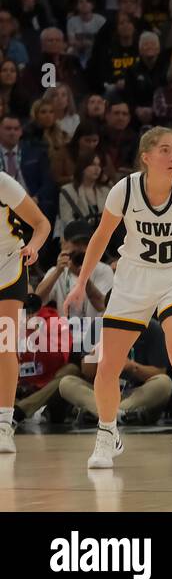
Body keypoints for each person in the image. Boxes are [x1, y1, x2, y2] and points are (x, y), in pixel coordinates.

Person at [65, 126, 172, 473]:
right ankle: (107, 433)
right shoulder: (124, 190)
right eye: (165, 150)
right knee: (108, 363)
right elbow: (101, 237)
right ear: (146, 157)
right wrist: (81, 282)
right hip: (132, 278)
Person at [0, 169, 52, 453]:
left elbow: (41, 223)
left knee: (4, 343)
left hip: (8, 264)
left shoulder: (3, 183)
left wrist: (32, 247)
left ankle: (4, 424)